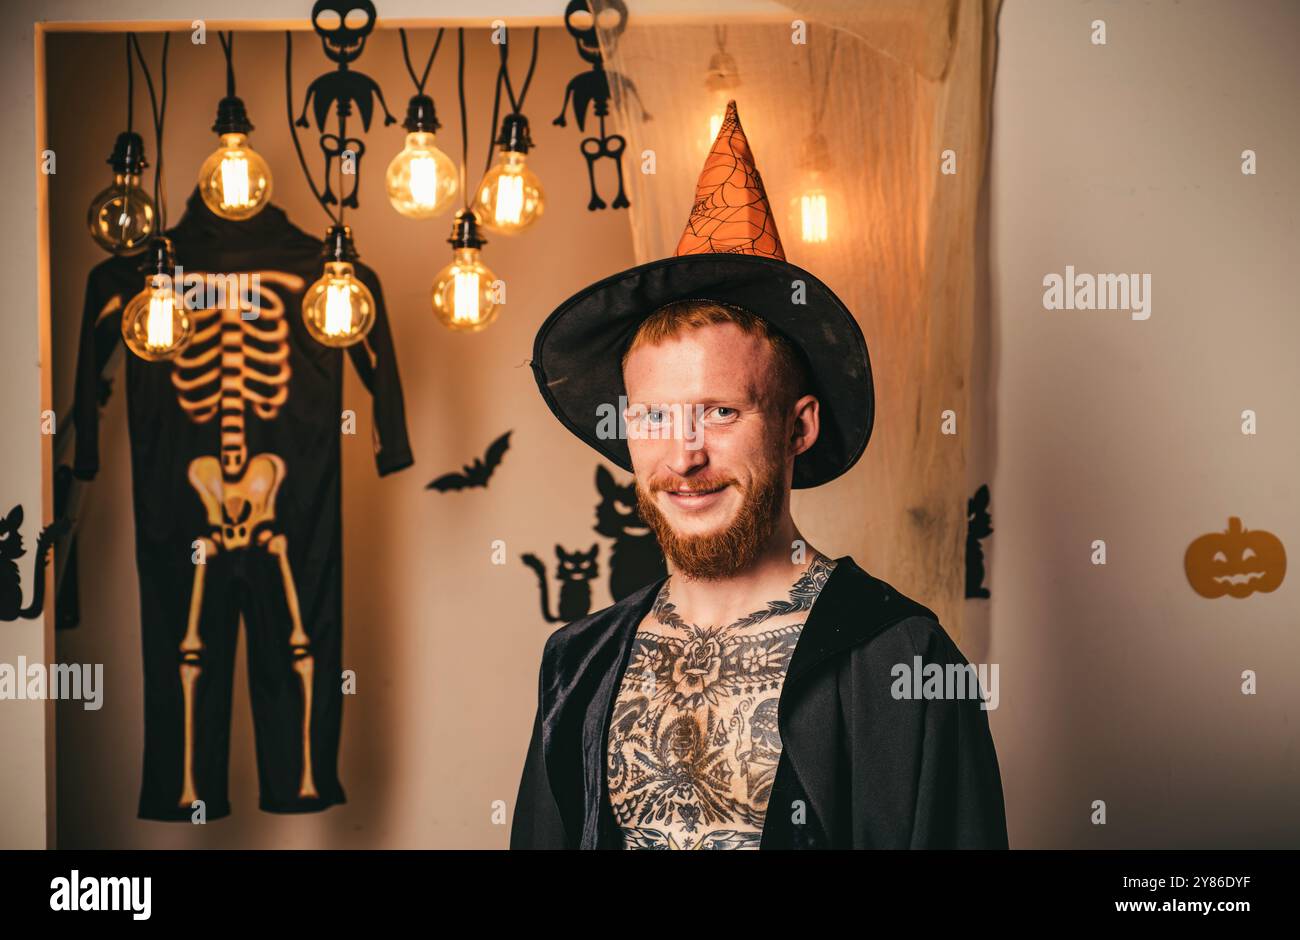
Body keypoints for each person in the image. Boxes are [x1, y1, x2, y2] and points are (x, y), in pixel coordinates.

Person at [511, 101, 1007, 849]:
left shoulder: (902, 659)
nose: (683, 457)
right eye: (653, 418)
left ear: (797, 426)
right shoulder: (576, 663)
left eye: (718, 412)